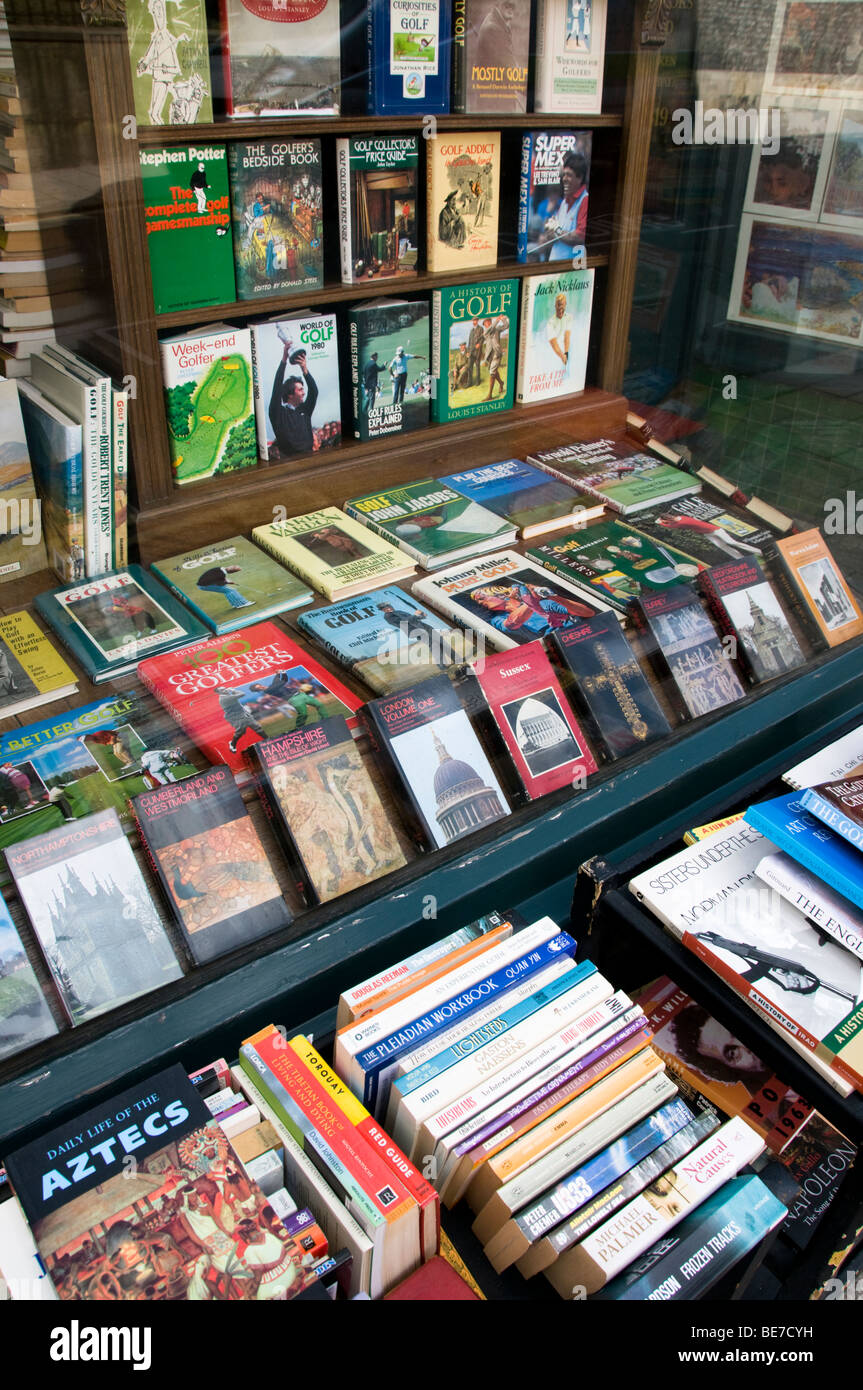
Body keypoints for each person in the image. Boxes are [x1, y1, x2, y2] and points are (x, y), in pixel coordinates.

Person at [136, 0, 188, 126]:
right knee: (154, 112)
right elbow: (150, 54)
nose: (160, 14)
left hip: (168, 75)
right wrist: (144, 63)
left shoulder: (167, 35)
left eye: (161, 10)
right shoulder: (157, 37)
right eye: (156, 11)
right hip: (160, 76)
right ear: (153, 14)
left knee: (177, 98)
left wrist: (180, 39)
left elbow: (173, 48)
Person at [268, 341, 318, 457]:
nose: (304, 393)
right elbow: (276, 389)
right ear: (290, 394)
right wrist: (284, 359)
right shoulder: (278, 413)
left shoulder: (305, 410)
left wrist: (304, 369)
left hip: (310, 457)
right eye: (300, 390)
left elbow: (314, 392)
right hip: (289, 462)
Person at [544, 150, 589, 260]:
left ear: (580, 178)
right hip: (555, 267)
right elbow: (554, 235)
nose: (564, 179)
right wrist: (550, 231)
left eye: (569, 175)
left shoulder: (585, 200)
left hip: (570, 272)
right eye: (564, 174)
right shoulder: (564, 202)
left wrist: (556, 230)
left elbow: (579, 237)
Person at [216, 686, 266, 754]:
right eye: (222, 690)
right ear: (219, 693)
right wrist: (233, 690)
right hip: (236, 717)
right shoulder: (224, 698)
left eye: (224, 688)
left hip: (243, 714)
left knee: (257, 727)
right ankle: (232, 744)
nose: (225, 690)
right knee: (240, 731)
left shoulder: (228, 695)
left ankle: (268, 740)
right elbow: (242, 694)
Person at [546, 291, 573, 370]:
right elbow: (554, 343)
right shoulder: (550, 322)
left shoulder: (569, 317)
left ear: (565, 305)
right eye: (558, 306)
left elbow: (567, 336)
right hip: (555, 355)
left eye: (562, 306)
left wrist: (566, 353)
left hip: (565, 355)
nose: (560, 309)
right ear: (555, 306)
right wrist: (562, 356)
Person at [482, 316, 507, 400]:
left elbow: (507, 326)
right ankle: (501, 383)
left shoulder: (497, 329)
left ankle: (489, 395)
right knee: (494, 372)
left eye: (489, 321)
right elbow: (490, 328)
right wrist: (497, 320)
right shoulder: (485, 331)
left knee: (492, 373)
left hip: (497, 353)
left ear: (491, 321)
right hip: (489, 355)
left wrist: (503, 318)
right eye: (486, 323)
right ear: (484, 325)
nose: (488, 323)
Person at [468, 317, 485, 386]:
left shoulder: (481, 328)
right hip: (471, 351)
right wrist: (468, 351)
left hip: (477, 351)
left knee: (477, 366)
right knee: (470, 367)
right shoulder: (471, 330)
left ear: (477, 321)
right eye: (473, 320)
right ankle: (469, 383)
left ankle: (478, 382)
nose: (474, 321)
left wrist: (479, 344)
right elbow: (469, 341)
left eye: (475, 320)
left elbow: (483, 338)